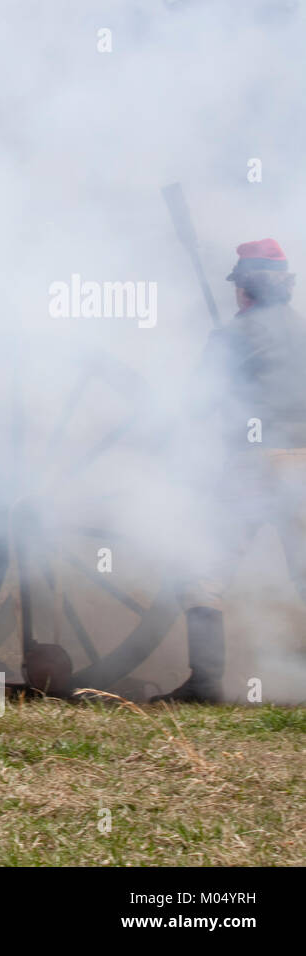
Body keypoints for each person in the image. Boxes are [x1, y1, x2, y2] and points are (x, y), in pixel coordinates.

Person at [161, 238, 306, 702]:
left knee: (203, 573)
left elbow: (196, 402)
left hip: (253, 464)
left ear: (244, 287)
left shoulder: (233, 335)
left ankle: (205, 684)